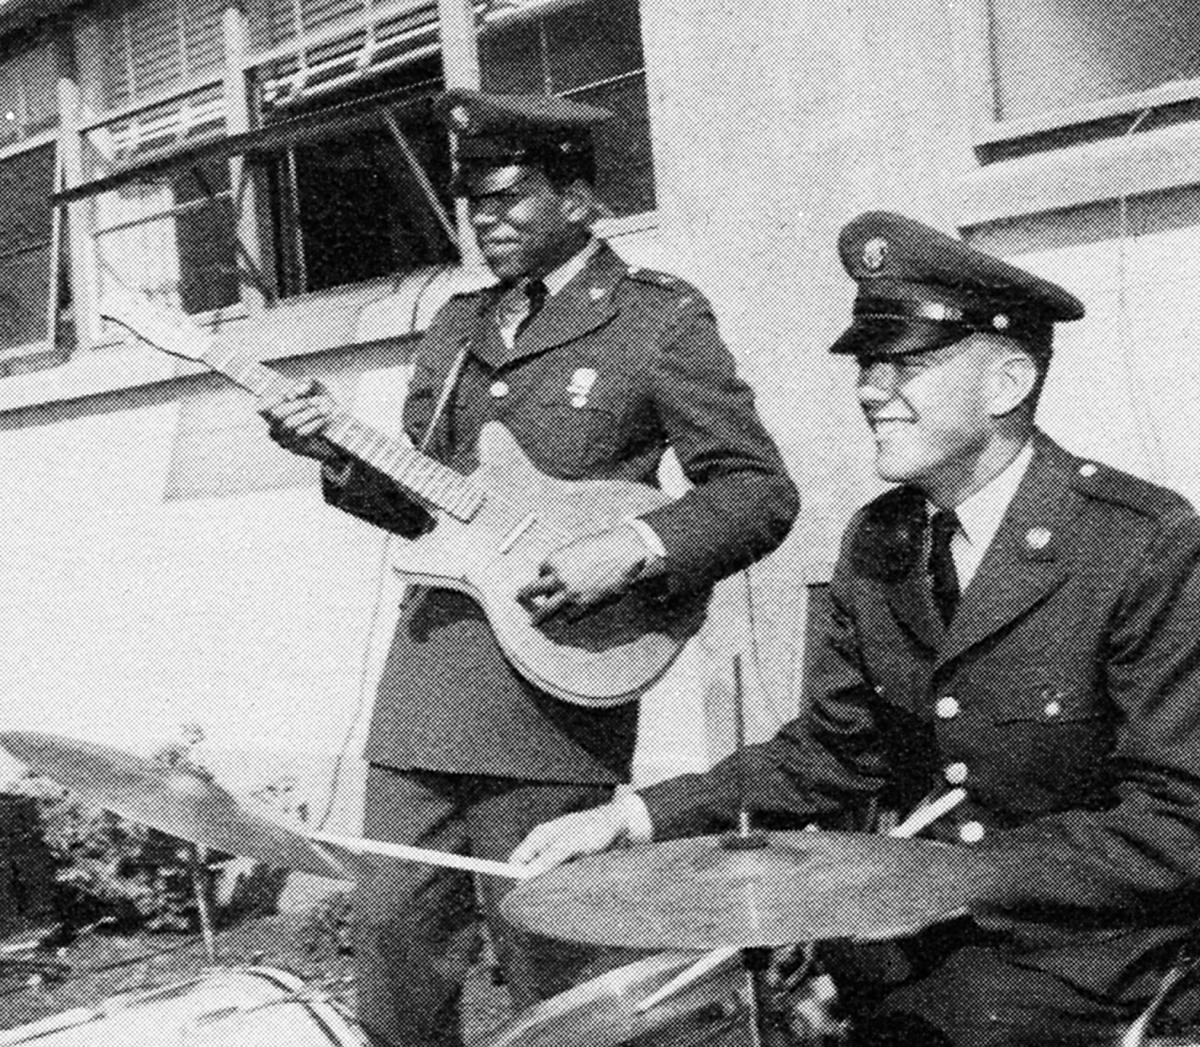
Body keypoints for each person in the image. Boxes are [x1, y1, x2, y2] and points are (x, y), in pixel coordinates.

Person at [511, 211, 1200, 1047]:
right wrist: (636, 816)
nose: (872, 389)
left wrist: (945, 879)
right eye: (870, 363)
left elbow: (1177, 821)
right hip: (911, 943)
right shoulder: (881, 537)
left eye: (907, 363)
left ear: (1007, 382)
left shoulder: (1142, 541)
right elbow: (833, 751)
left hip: (1085, 954)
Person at [259, 89, 799, 1047]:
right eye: (474, 201)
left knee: (552, 955)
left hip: (558, 681)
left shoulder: (654, 320)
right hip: (428, 681)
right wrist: (333, 451)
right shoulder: (457, 325)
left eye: (510, 197)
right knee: (393, 940)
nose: (486, 219)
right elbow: (425, 504)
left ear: (579, 202)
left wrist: (631, 547)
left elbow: (756, 493)